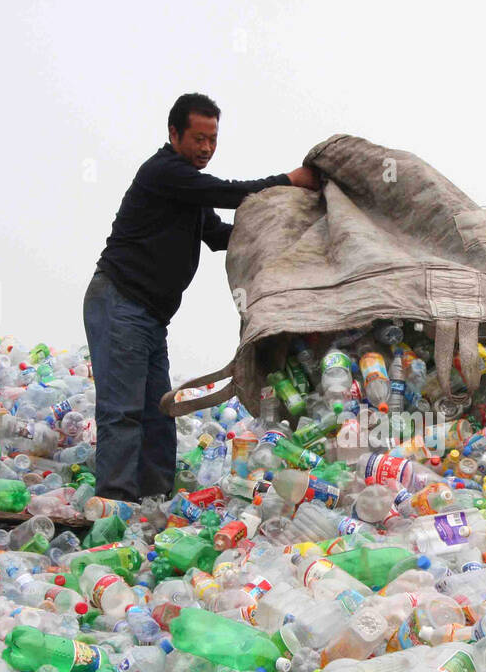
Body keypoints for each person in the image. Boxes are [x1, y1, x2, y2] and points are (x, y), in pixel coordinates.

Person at [85, 92, 320, 502]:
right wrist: (287, 182)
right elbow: (227, 193)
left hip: (150, 318)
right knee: (123, 412)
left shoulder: (186, 195)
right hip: (121, 303)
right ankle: (115, 503)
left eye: (212, 139)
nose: (206, 148)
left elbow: (221, 236)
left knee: (159, 412)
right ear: (174, 134)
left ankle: (154, 501)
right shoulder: (164, 173)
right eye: (198, 138)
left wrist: (286, 237)